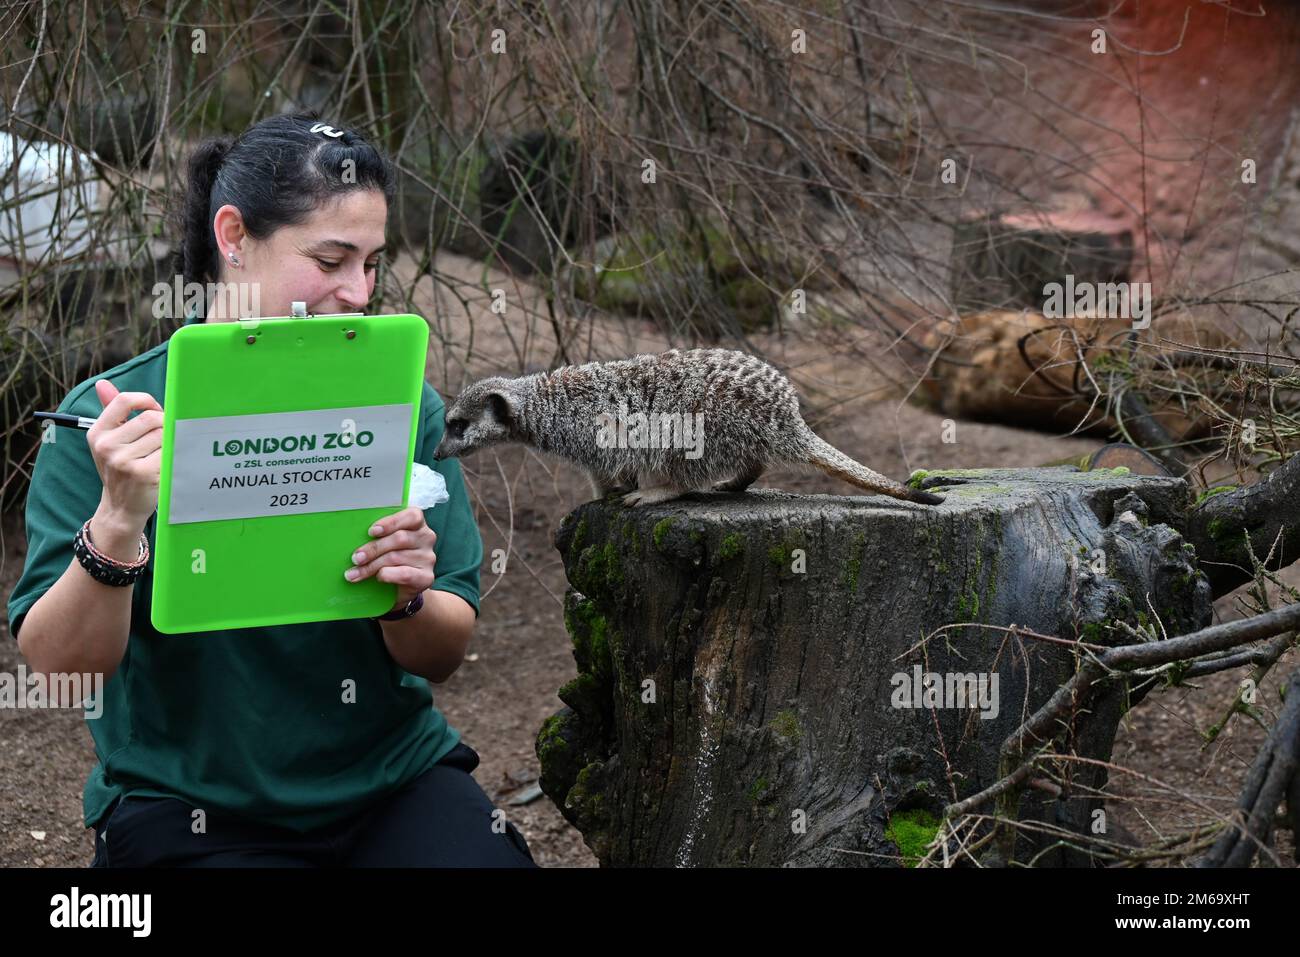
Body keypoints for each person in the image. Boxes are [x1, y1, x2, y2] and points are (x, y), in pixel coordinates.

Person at [6, 113, 537, 868]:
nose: (359, 292)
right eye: (330, 259)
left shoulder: (403, 404)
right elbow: (64, 670)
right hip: (188, 807)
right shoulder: (107, 417)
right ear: (233, 235)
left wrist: (406, 594)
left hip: (391, 784)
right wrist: (118, 523)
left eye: (373, 263)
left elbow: (442, 652)